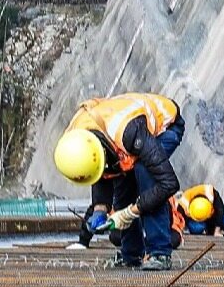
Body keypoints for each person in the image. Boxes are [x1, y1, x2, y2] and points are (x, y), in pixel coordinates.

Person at [54, 93, 184, 269]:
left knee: (145, 172)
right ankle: (131, 254)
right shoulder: (76, 140)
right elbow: (100, 170)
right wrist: (100, 208)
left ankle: (159, 252)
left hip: (166, 125)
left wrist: (130, 212)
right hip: (124, 137)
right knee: (123, 182)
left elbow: (168, 183)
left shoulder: (127, 132)